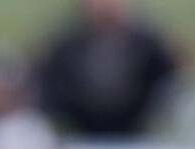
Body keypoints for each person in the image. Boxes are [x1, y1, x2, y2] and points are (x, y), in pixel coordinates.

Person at [35, 0, 179, 137]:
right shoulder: (65, 45)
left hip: (138, 137)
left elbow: (171, 84)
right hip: (80, 137)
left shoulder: (149, 46)